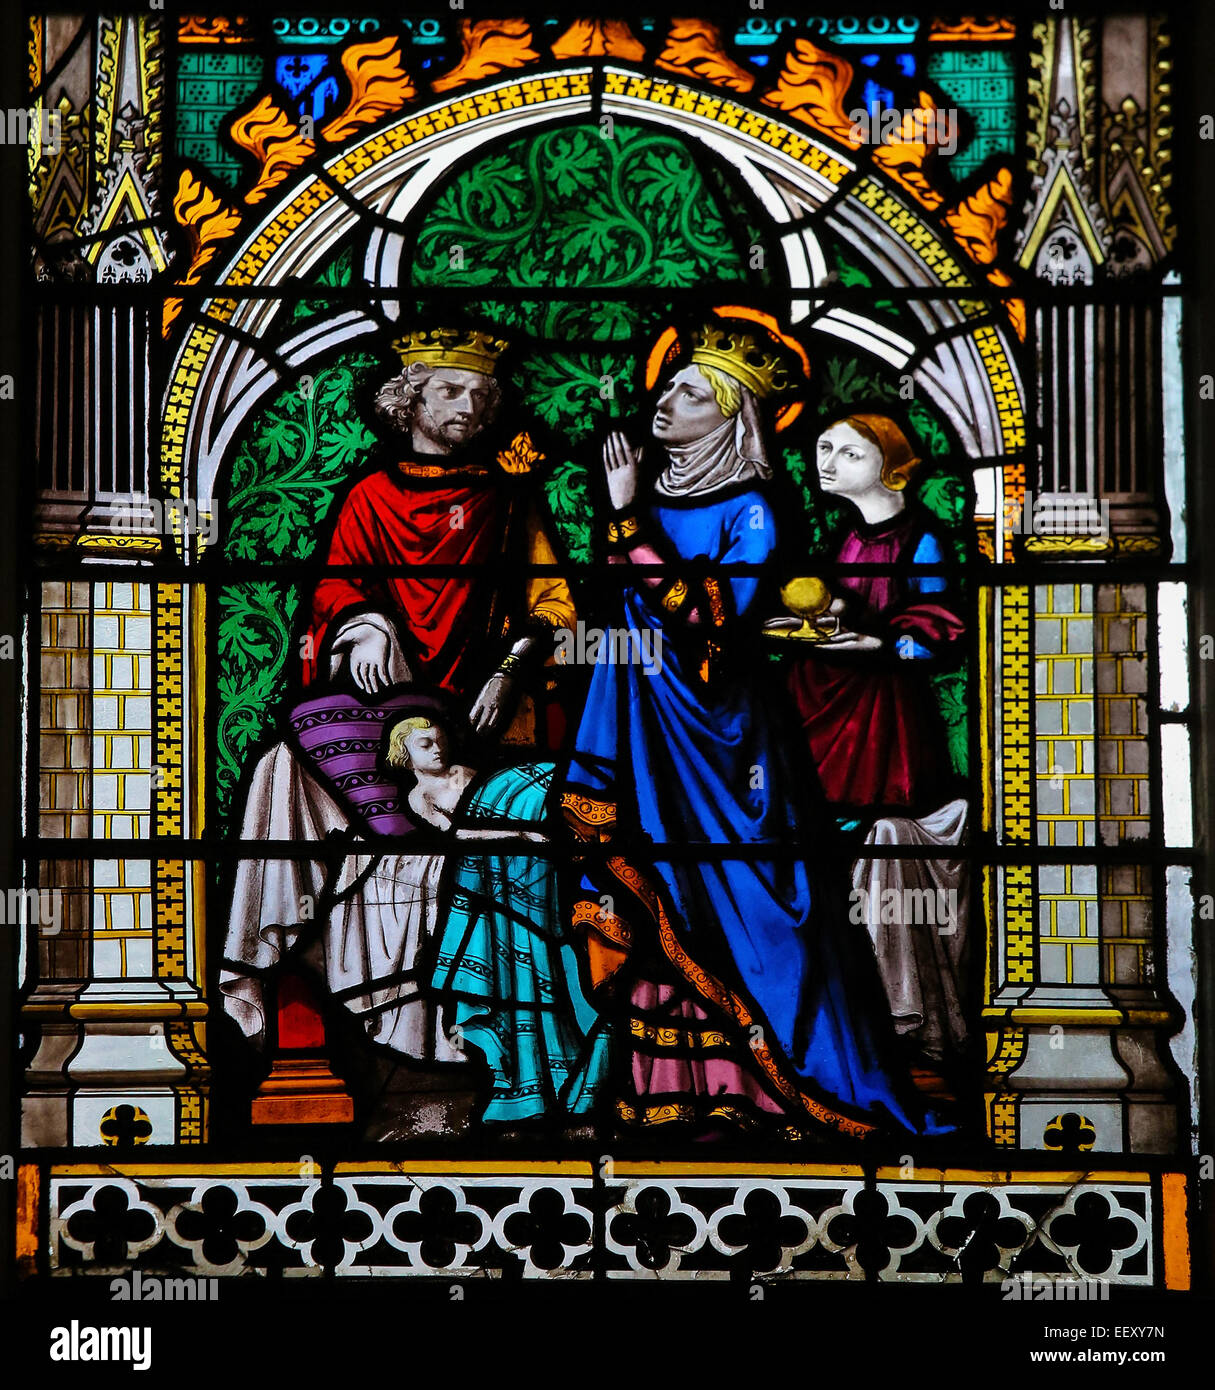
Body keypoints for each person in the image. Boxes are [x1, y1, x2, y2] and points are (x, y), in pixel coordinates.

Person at [562, 321, 946, 1139]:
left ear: (734, 416)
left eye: (690, 393)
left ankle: (783, 1094)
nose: (665, 401)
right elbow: (613, 612)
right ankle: (673, 1095)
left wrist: (629, 521)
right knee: (657, 895)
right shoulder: (650, 492)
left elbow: (708, 619)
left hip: (721, 741)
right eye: (667, 387)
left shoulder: (753, 511)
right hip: (636, 723)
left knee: (755, 901)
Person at [383, 714, 608, 1127]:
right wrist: (519, 835)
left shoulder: (466, 774)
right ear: (404, 755)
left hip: (524, 871)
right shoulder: (420, 797)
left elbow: (496, 801)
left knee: (552, 954)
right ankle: (526, 1076)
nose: (437, 748)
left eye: (439, 740)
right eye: (424, 744)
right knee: (515, 967)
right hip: (492, 882)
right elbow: (460, 837)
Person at [778, 414, 965, 812]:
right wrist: (814, 619)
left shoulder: (921, 541)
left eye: (850, 454)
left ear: (891, 468)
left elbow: (942, 633)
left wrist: (880, 645)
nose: (826, 464)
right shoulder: (850, 534)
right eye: (824, 449)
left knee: (872, 810)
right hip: (821, 694)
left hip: (883, 711)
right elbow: (856, 602)